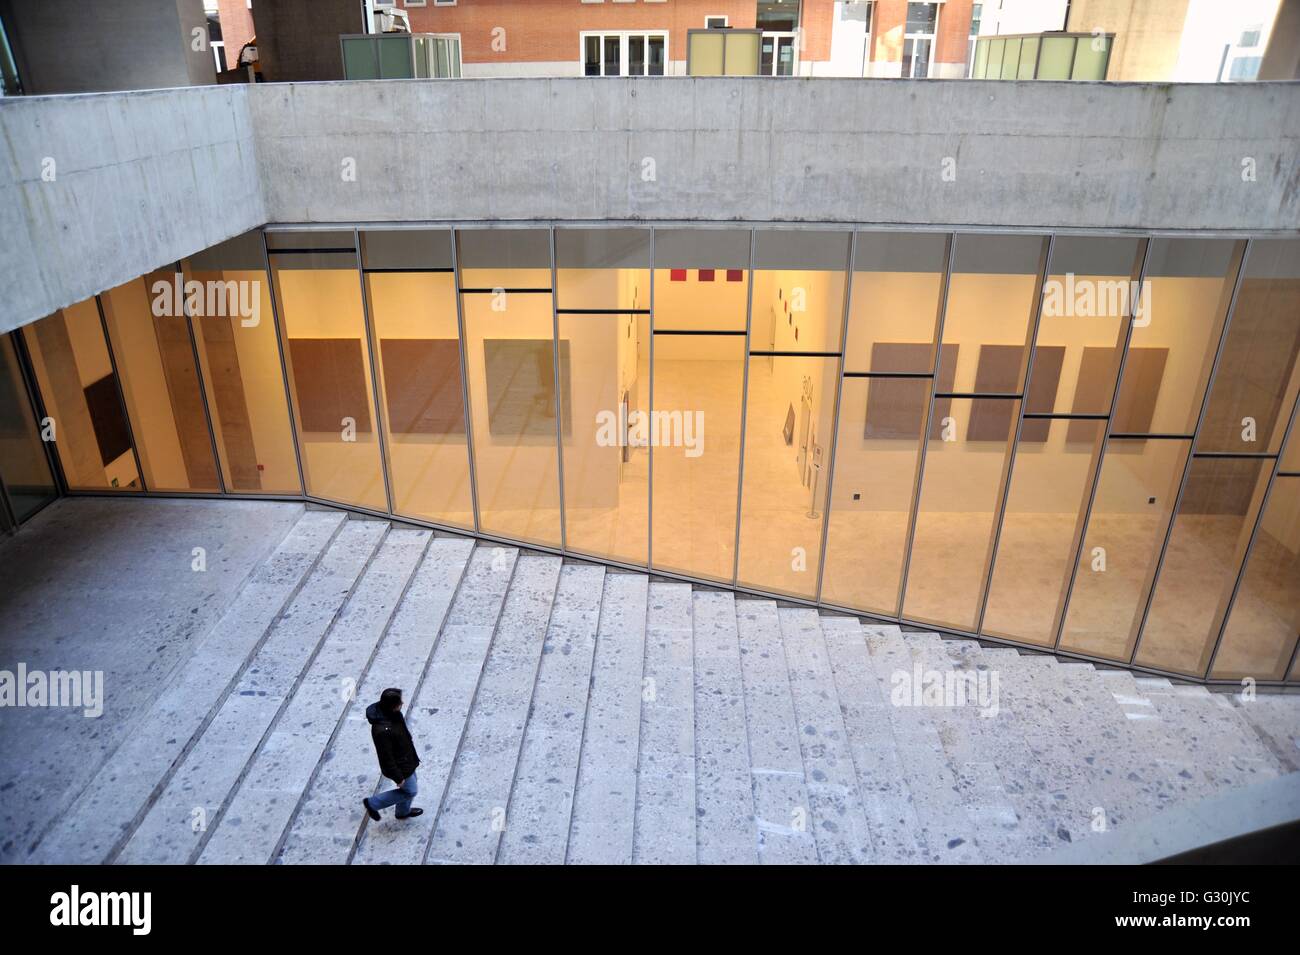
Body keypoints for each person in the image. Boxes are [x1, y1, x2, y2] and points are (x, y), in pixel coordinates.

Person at [362, 688, 423, 821]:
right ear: (392, 705)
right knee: (411, 791)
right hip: (401, 765)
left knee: (411, 786)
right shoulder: (382, 731)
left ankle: (402, 812)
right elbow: (386, 757)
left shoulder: (393, 714)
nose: (402, 703)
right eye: (399, 702)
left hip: (407, 758)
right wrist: (398, 777)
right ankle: (373, 803)